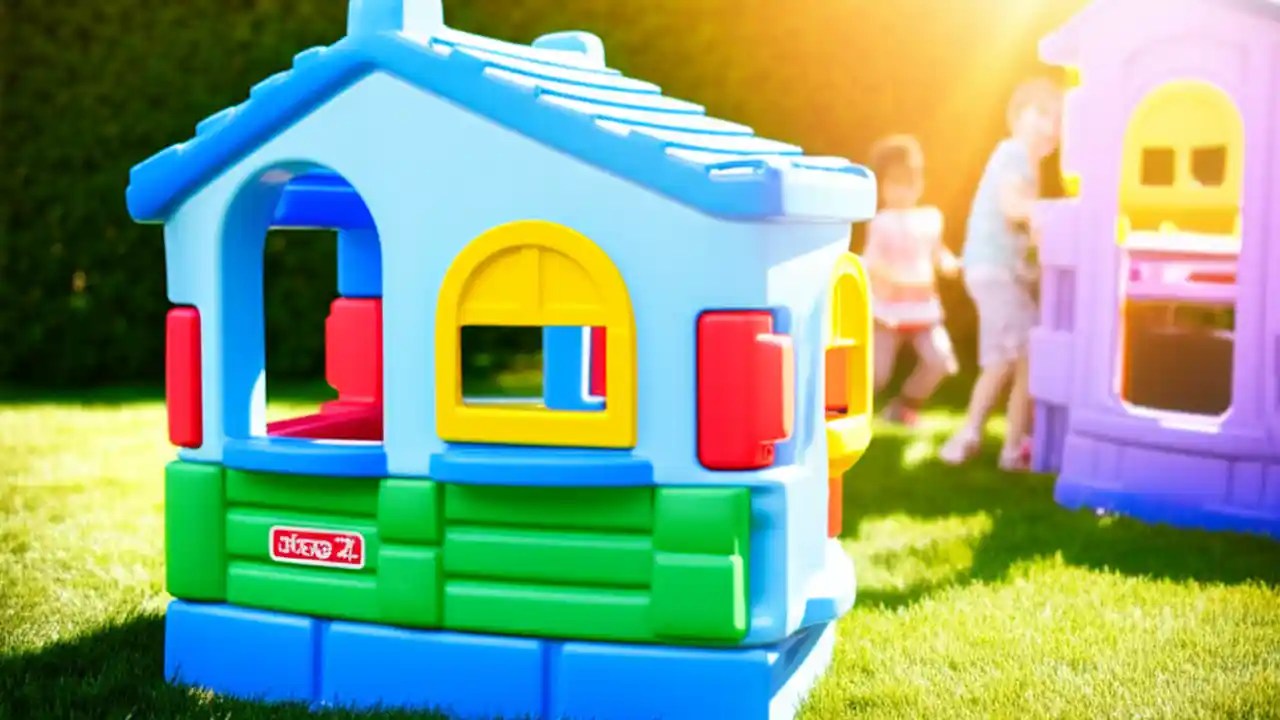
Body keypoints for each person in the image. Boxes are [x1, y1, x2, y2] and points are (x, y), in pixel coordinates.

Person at [939, 78, 1063, 470]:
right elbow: (1012, 205)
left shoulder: (1023, 162)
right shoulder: (1013, 154)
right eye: (1040, 113)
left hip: (991, 270)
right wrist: (1041, 214)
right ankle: (1013, 449)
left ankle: (967, 437)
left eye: (1056, 118)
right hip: (994, 270)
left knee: (999, 361)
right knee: (1029, 351)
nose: (1049, 125)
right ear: (1017, 117)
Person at [861, 134, 960, 427]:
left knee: (941, 360)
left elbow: (938, 251)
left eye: (908, 183)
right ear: (883, 186)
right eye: (894, 184)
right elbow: (869, 261)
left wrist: (947, 263)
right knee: (876, 373)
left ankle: (903, 406)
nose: (901, 191)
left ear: (919, 184)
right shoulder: (881, 222)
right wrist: (891, 277)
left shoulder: (930, 218)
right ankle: (847, 413)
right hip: (888, 309)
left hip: (923, 308)